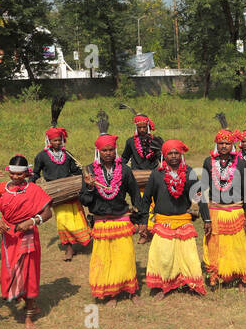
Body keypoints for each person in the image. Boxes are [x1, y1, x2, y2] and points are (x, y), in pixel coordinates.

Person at [0, 155, 53, 328]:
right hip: (8, 236)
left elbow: (48, 213)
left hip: (28, 235)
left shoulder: (33, 189)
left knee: (29, 273)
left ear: (26, 173)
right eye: (13, 173)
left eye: (20, 174)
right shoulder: (1, 188)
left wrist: (31, 221)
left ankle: (29, 315)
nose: (16, 177)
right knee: (10, 272)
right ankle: (22, 297)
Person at [80, 133, 146, 302]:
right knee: (105, 258)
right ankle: (112, 293)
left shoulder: (124, 169)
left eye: (111, 150)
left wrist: (140, 220)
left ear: (115, 150)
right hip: (101, 221)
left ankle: (130, 290)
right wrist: (89, 187)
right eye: (104, 150)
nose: (108, 153)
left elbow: (135, 196)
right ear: (98, 151)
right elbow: (85, 201)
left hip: (121, 218)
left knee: (125, 256)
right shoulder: (89, 171)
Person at [140, 140, 206, 298]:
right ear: (164, 155)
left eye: (177, 153)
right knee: (164, 257)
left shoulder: (189, 172)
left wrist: (207, 220)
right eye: (170, 153)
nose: (174, 156)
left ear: (181, 154)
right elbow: (146, 199)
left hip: (183, 221)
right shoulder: (157, 174)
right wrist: (143, 222)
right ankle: (163, 285)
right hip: (164, 222)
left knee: (189, 256)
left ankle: (188, 283)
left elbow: (200, 197)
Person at [201, 129, 246, 288]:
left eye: (227, 143)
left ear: (232, 144)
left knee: (238, 246)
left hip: (236, 212)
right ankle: (216, 276)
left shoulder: (241, 163)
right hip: (215, 211)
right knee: (215, 245)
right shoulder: (208, 162)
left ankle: (241, 278)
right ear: (216, 144)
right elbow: (203, 190)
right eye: (221, 143)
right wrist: (206, 217)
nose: (224, 146)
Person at [34, 126, 91, 261]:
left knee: (76, 218)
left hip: (70, 192)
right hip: (56, 194)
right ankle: (69, 248)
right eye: (54, 140)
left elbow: (75, 171)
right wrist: (30, 184)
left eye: (60, 140)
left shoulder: (67, 155)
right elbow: (36, 172)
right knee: (63, 221)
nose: (58, 143)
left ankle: (82, 237)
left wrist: (84, 173)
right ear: (48, 140)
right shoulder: (41, 156)